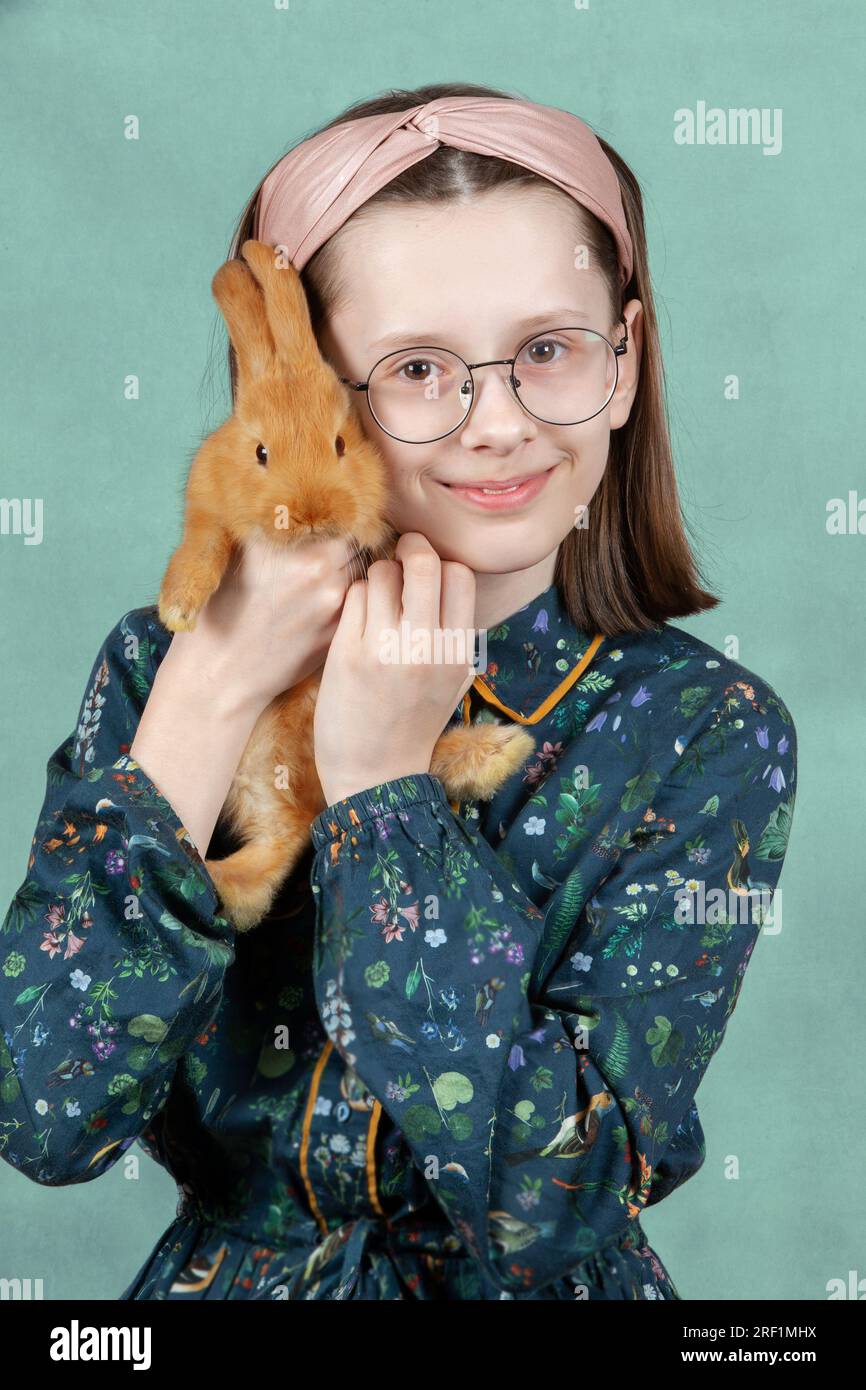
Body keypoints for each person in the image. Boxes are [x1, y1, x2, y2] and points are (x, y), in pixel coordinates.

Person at [0, 81, 797, 1301]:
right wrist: (213, 686)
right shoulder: (159, 671)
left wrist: (382, 795)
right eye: (418, 368)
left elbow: (551, 1204)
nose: (498, 423)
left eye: (547, 349)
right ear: (306, 385)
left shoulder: (700, 732)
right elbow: (43, 1114)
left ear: (624, 361)